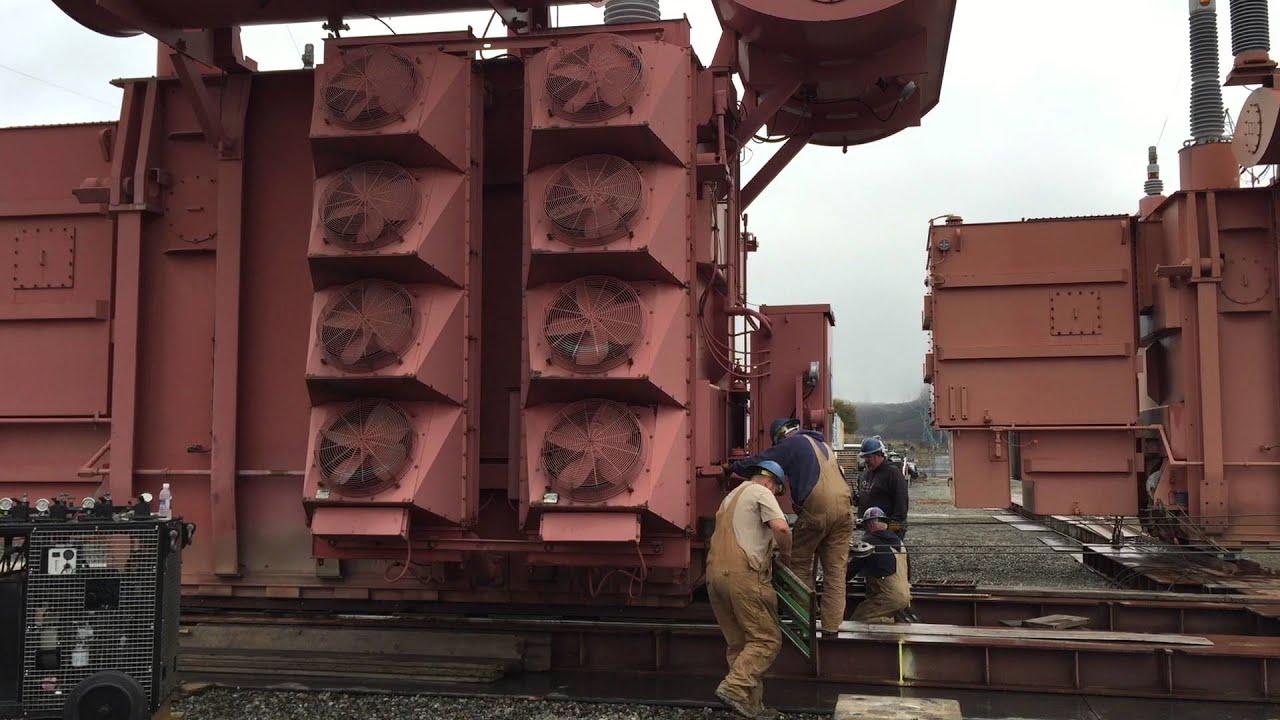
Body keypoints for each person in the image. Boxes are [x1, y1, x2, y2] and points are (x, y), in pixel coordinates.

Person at [729, 418, 853, 635]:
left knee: (798, 562)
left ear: (781, 435)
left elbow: (762, 461)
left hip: (818, 509)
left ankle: (805, 621)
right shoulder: (824, 445)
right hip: (844, 510)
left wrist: (734, 467)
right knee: (835, 570)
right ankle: (831, 628)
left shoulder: (792, 443)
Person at [707, 460, 793, 719]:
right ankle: (734, 688)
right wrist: (786, 555)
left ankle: (752, 708)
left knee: (740, 644)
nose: (775, 493)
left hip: (714, 577)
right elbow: (780, 527)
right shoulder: (761, 492)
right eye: (778, 489)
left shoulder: (730, 497)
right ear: (771, 482)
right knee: (766, 640)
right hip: (743, 575)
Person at [848, 506, 915, 623]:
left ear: (870, 524)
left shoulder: (869, 541)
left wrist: (836, 579)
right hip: (906, 597)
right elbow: (908, 574)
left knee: (857, 621)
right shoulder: (899, 542)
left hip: (888, 598)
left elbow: (852, 569)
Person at [857, 437, 909, 538]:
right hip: (871, 528)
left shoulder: (892, 473)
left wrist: (889, 526)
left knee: (888, 553)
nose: (866, 460)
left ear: (879, 454)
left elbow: (901, 503)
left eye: (868, 457)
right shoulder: (866, 473)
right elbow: (866, 495)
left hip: (889, 530)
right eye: (864, 457)